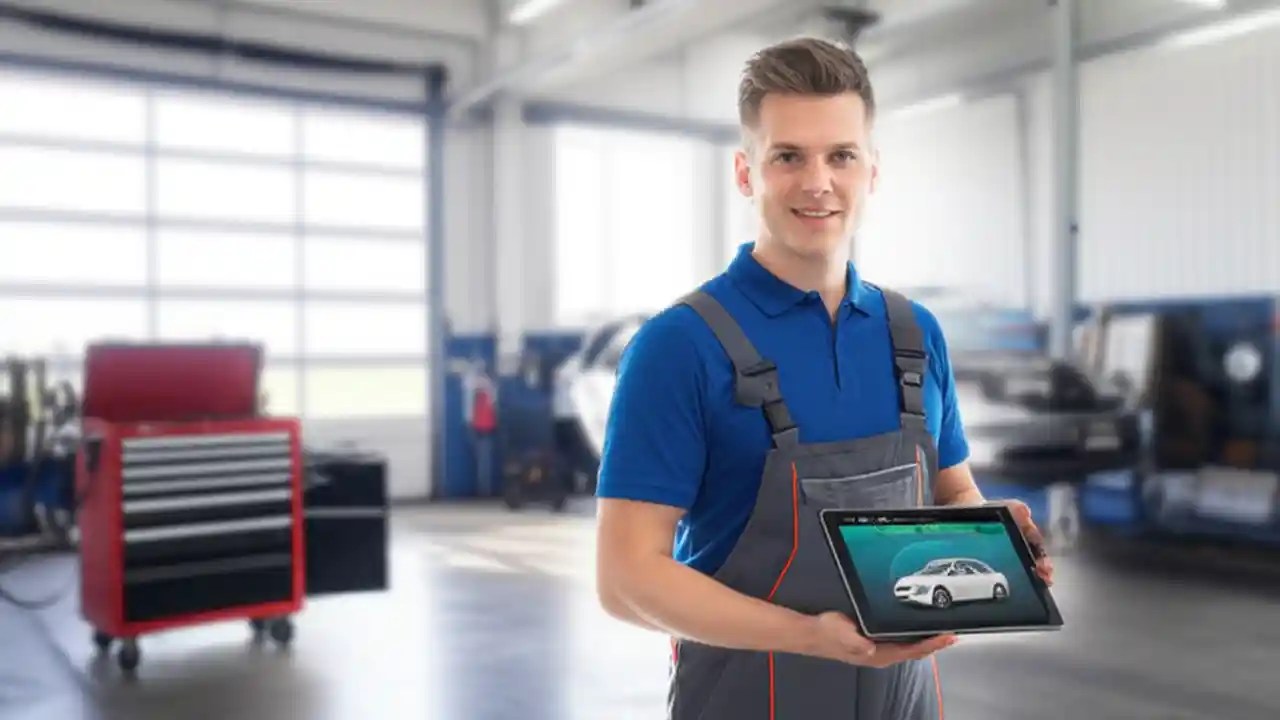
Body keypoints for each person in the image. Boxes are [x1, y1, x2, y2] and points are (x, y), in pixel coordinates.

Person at [593, 37, 1055, 719]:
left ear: (872, 170)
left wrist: (989, 532)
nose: (818, 182)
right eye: (788, 156)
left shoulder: (915, 334)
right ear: (746, 173)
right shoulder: (678, 347)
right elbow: (626, 579)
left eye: (841, 155)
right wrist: (810, 637)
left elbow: (952, 489)